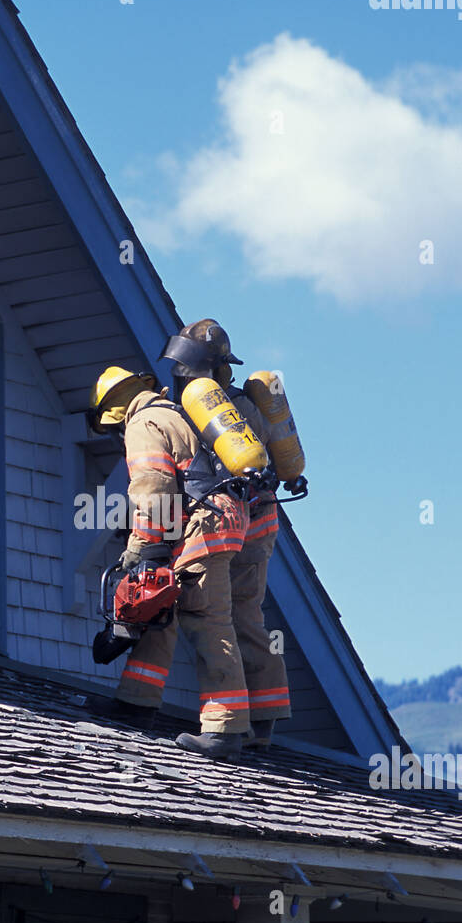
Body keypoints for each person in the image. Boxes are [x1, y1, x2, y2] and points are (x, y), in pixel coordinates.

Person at [86, 361, 251, 761]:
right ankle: (137, 702)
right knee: (163, 609)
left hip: (205, 522)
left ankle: (224, 729)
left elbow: (154, 489)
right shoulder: (174, 413)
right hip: (210, 518)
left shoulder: (143, 423)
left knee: (207, 619)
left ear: (115, 416)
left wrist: (141, 546)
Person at [158, 320, 292, 751]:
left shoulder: (199, 409)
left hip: (222, 519)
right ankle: (264, 723)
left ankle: (225, 728)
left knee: (208, 617)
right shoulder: (246, 407)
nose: (178, 375)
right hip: (262, 519)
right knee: (247, 617)